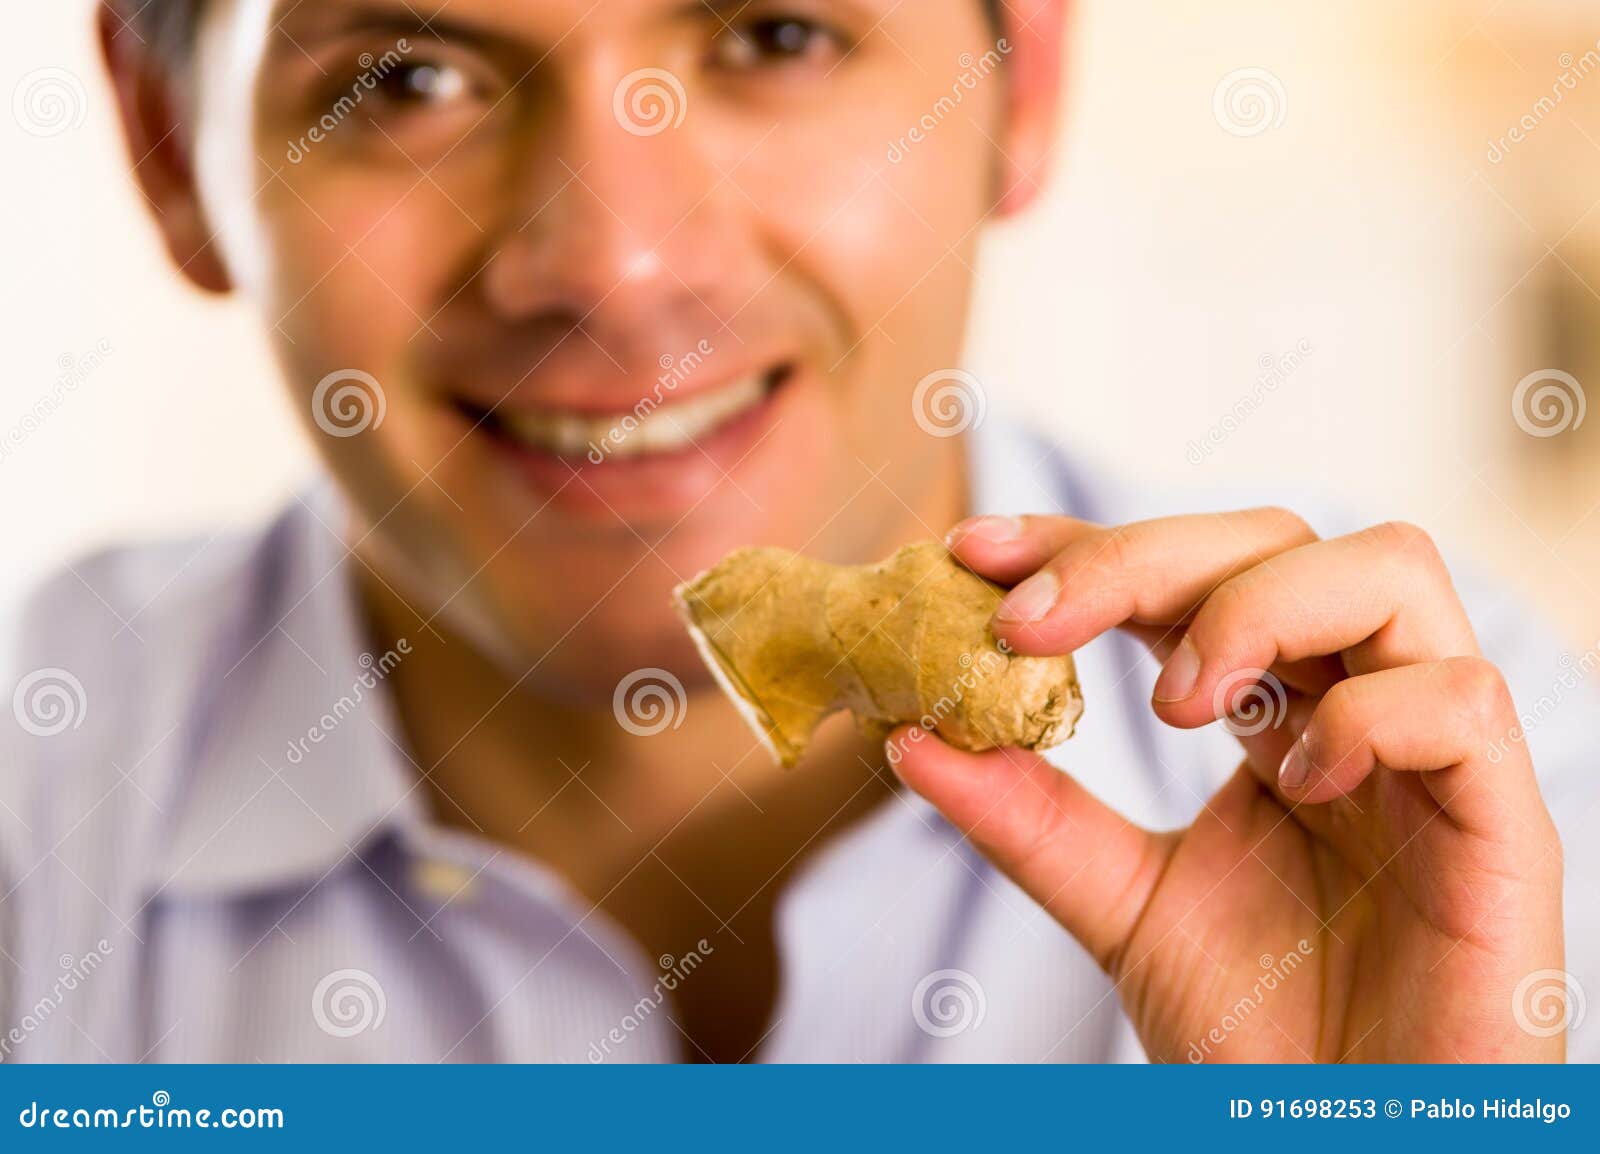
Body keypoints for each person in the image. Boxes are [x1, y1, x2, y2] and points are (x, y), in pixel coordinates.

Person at [0, 0, 1592, 1063]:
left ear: (1020, 83)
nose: (615, 263)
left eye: (777, 32)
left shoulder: (1496, 846)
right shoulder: (33, 828)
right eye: (407, 75)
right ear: (164, 147)